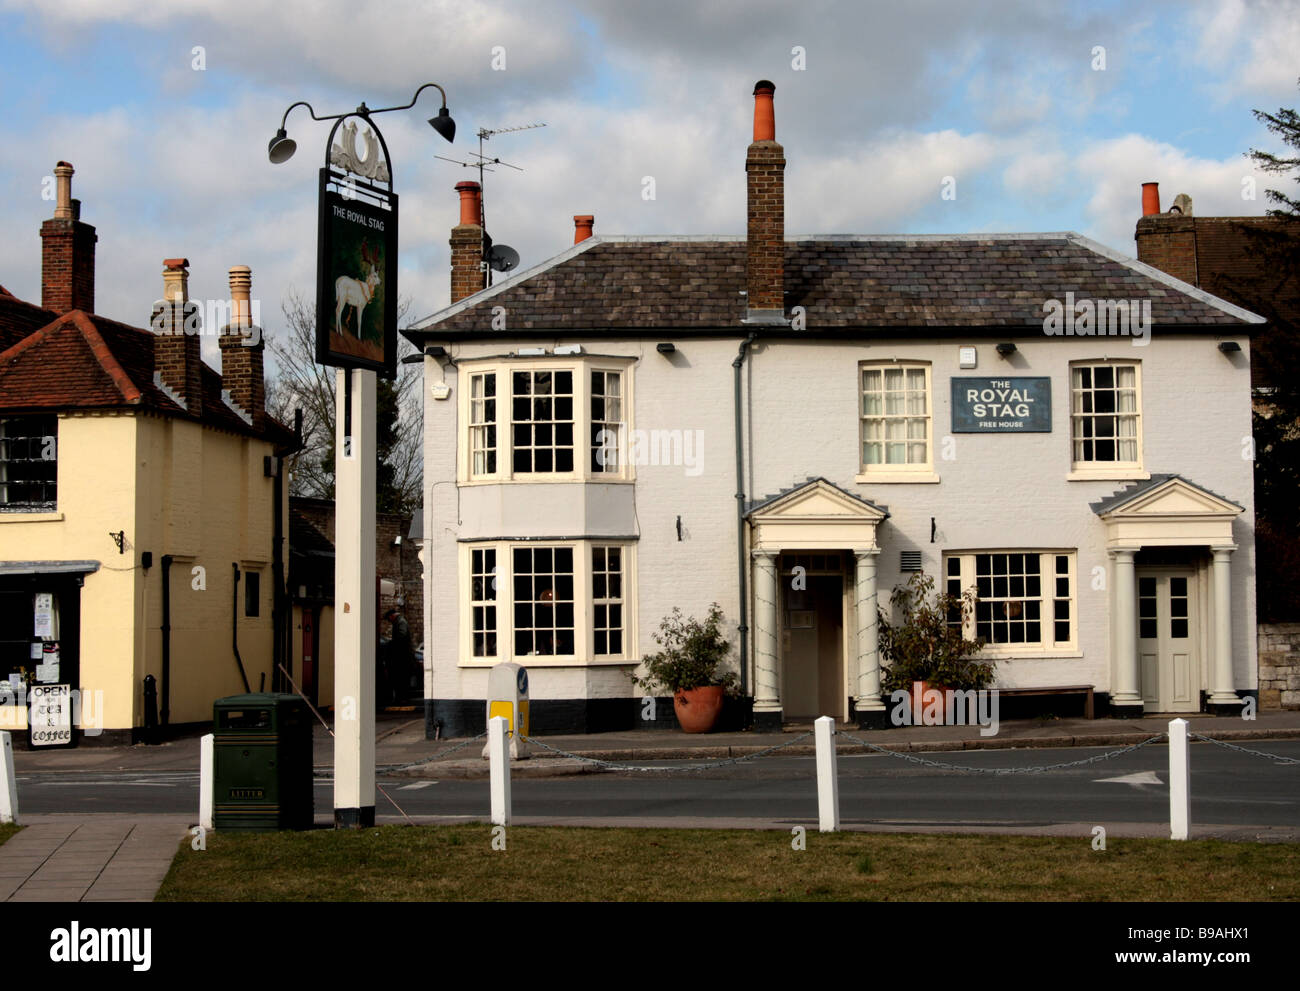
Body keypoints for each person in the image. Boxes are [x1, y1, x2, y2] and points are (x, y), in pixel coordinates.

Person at [384, 607, 414, 701]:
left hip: (403, 656)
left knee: (402, 678)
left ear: (392, 616)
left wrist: (391, 643)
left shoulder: (400, 622)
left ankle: (403, 698)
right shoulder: (399, 621)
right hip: (402, 656)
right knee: (402, 678)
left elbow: (402, 636)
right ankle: (402, 698)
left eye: (389, 619)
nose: (389, 621)